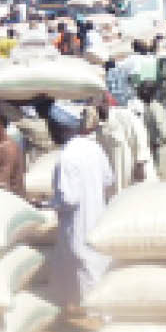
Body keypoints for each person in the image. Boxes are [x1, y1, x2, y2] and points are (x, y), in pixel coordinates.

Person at [48, 105, 114, 310]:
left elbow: (69, 199)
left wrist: (49, 203)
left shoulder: (67, 156)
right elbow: (108, 180)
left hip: (78, 224)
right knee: (96, 267)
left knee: (86, 270)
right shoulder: (94, 148)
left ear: (59, 129)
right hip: (98, 217)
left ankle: (98, 322)